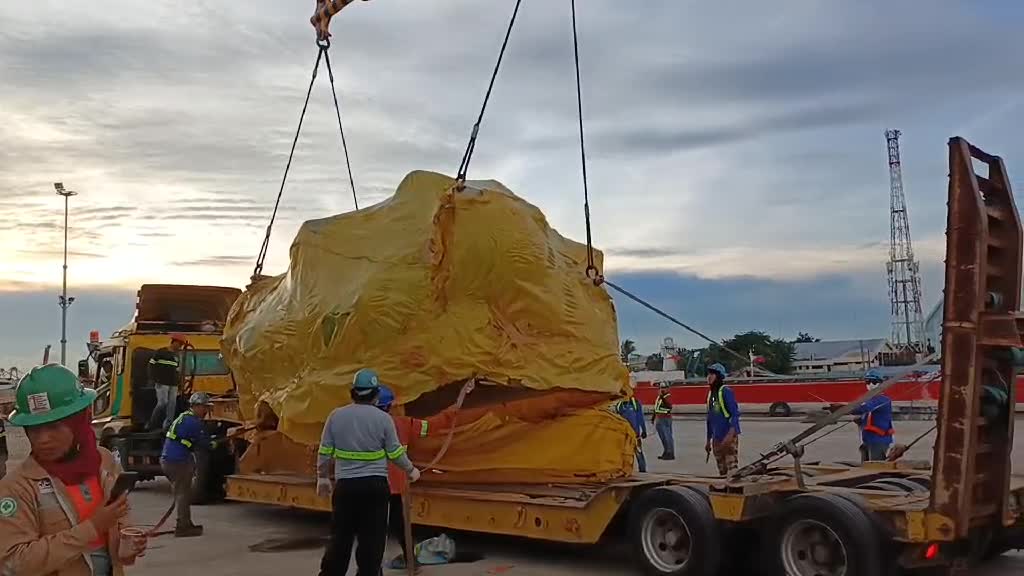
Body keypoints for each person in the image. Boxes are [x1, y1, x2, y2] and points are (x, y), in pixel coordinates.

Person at [0, 364, 146, 575]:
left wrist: (125, 548)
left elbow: (119, 520)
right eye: (34, 428)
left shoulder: (104, 461)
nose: (43, 439)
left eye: (54, 426)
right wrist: (91, 529)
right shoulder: (16, 488)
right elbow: (14, 563)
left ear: (80, 420)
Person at [317, 369, 421, 576]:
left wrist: (322, 477)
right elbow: (395, 452)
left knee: (340, 539)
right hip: (375, 488)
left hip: (346, 487)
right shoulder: (383, 420)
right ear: (375, 395)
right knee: (372, 542)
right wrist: (411, 470)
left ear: (352, 393)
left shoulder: (336, 416)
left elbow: (325, 450)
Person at [160, 391, 213, 537]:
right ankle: (183, 526)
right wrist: (213, 444)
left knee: (182, 493)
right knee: (183, 494)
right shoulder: (193, 422)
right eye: (204, 407)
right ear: (196, 406)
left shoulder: (184, 417)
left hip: (170, 460)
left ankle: (186, 522)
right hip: (176, 462)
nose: (206, 411)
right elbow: (203, 442)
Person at [704, 363, 741, 476]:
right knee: (722, 469)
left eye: (712, 374)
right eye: (708, 374)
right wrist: (708, 440)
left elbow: (735, 414)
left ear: (719, 376)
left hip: (727, 436)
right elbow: (710, 419)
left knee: (732, 469)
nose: (709, 377)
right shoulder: (711, 394)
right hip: (717, 438)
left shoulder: (725, 391)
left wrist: (730, 435)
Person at [851, 369, 894, 462]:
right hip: (867, 439)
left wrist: (844, 409)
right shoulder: (869, 399)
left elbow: (864, 408)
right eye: (867, 381)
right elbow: (868, 416)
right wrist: (861, 420)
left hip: (879, 440)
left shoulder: (883, 400)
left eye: (874, 382)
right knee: (865, 466)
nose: (870, 384)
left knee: (875, 467)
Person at [147, 334, 186, 431]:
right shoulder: (161, 352)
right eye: (179, 344)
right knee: (162, 403)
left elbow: (177, 371)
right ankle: (152, 423)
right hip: (162, 383)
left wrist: (180, 384)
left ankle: (168, 426)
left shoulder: (177, 356)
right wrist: (154, 379)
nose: (180, 346)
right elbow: (151, 365)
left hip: (173, 385)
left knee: (172, 405)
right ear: (174, 342)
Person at [614, 395, 647, 472]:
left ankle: (642, 470)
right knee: (623, 453)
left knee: (638, 453)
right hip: (624, 434)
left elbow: (640, 417)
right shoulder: (619, 404)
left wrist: (644, 430)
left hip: (635, 434)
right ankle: (624, 470)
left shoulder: (635, 403)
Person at [652, 381, 674, 460]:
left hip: (665, 418)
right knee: (663, 437)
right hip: (659, 418)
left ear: (668, 389)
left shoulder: (667, 396)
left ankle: (670, 453)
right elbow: (656, 408)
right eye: (661, 388)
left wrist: (662, 398)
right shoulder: (659, 397)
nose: (662, 389)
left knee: (667, 436)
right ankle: (666, 451)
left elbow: (669, 406)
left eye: (664, 388)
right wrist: (653, 417)